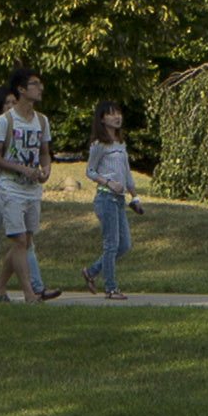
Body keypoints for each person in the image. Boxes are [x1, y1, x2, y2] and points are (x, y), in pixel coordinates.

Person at [0, 66, 57, 302]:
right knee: (19, 240)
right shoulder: (5, 121)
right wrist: (20, 168)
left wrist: (46, 169)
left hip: (33, 190)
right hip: (10, 187)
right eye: (34, 84)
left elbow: (44, 152)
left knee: (26, 241)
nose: (40, 88)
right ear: (21, 89)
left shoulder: (42, 121)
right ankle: (29, 294)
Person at [78, 102, 137, 297]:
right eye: (111, 114)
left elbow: (127, 172)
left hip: (119, 199)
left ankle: (92, 271)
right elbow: (90, 170)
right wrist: (108, 182)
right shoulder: (99, 145)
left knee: (124, 244)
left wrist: (135, 196)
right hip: (106, 197)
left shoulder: (120, 144)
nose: (117, 117)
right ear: (102, 118)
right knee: (111, 244)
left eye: (118, 113)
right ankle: (111, 288)